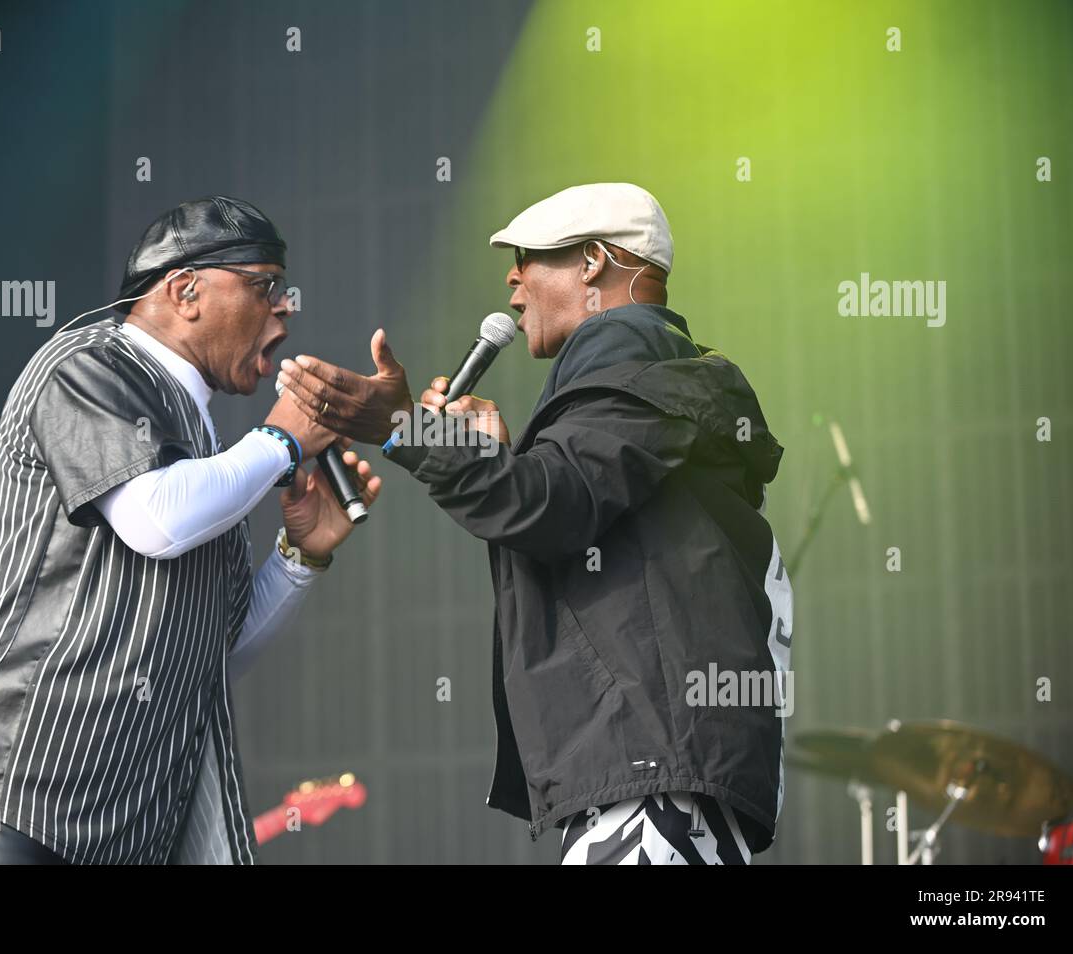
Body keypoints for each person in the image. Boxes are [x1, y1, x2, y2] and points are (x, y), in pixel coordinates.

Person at [275, 182, 794, 865]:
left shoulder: (642, 376)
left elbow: (548, 504)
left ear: (594, 264)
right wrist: (498, 458)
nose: (512, 281)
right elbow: (568, 511)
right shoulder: (650, 386)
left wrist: (405, 428)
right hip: (653, 774)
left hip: (652, 777)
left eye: (530, 258)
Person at [0, 196, 379, 864]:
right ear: (185, 289)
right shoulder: (89, 363)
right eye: (266, 286)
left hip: (116, 824)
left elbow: (209, 658)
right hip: (11, 786)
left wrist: (300, 556)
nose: (286, 307)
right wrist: (283, 440)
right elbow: (154, 519)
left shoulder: (207, 452)